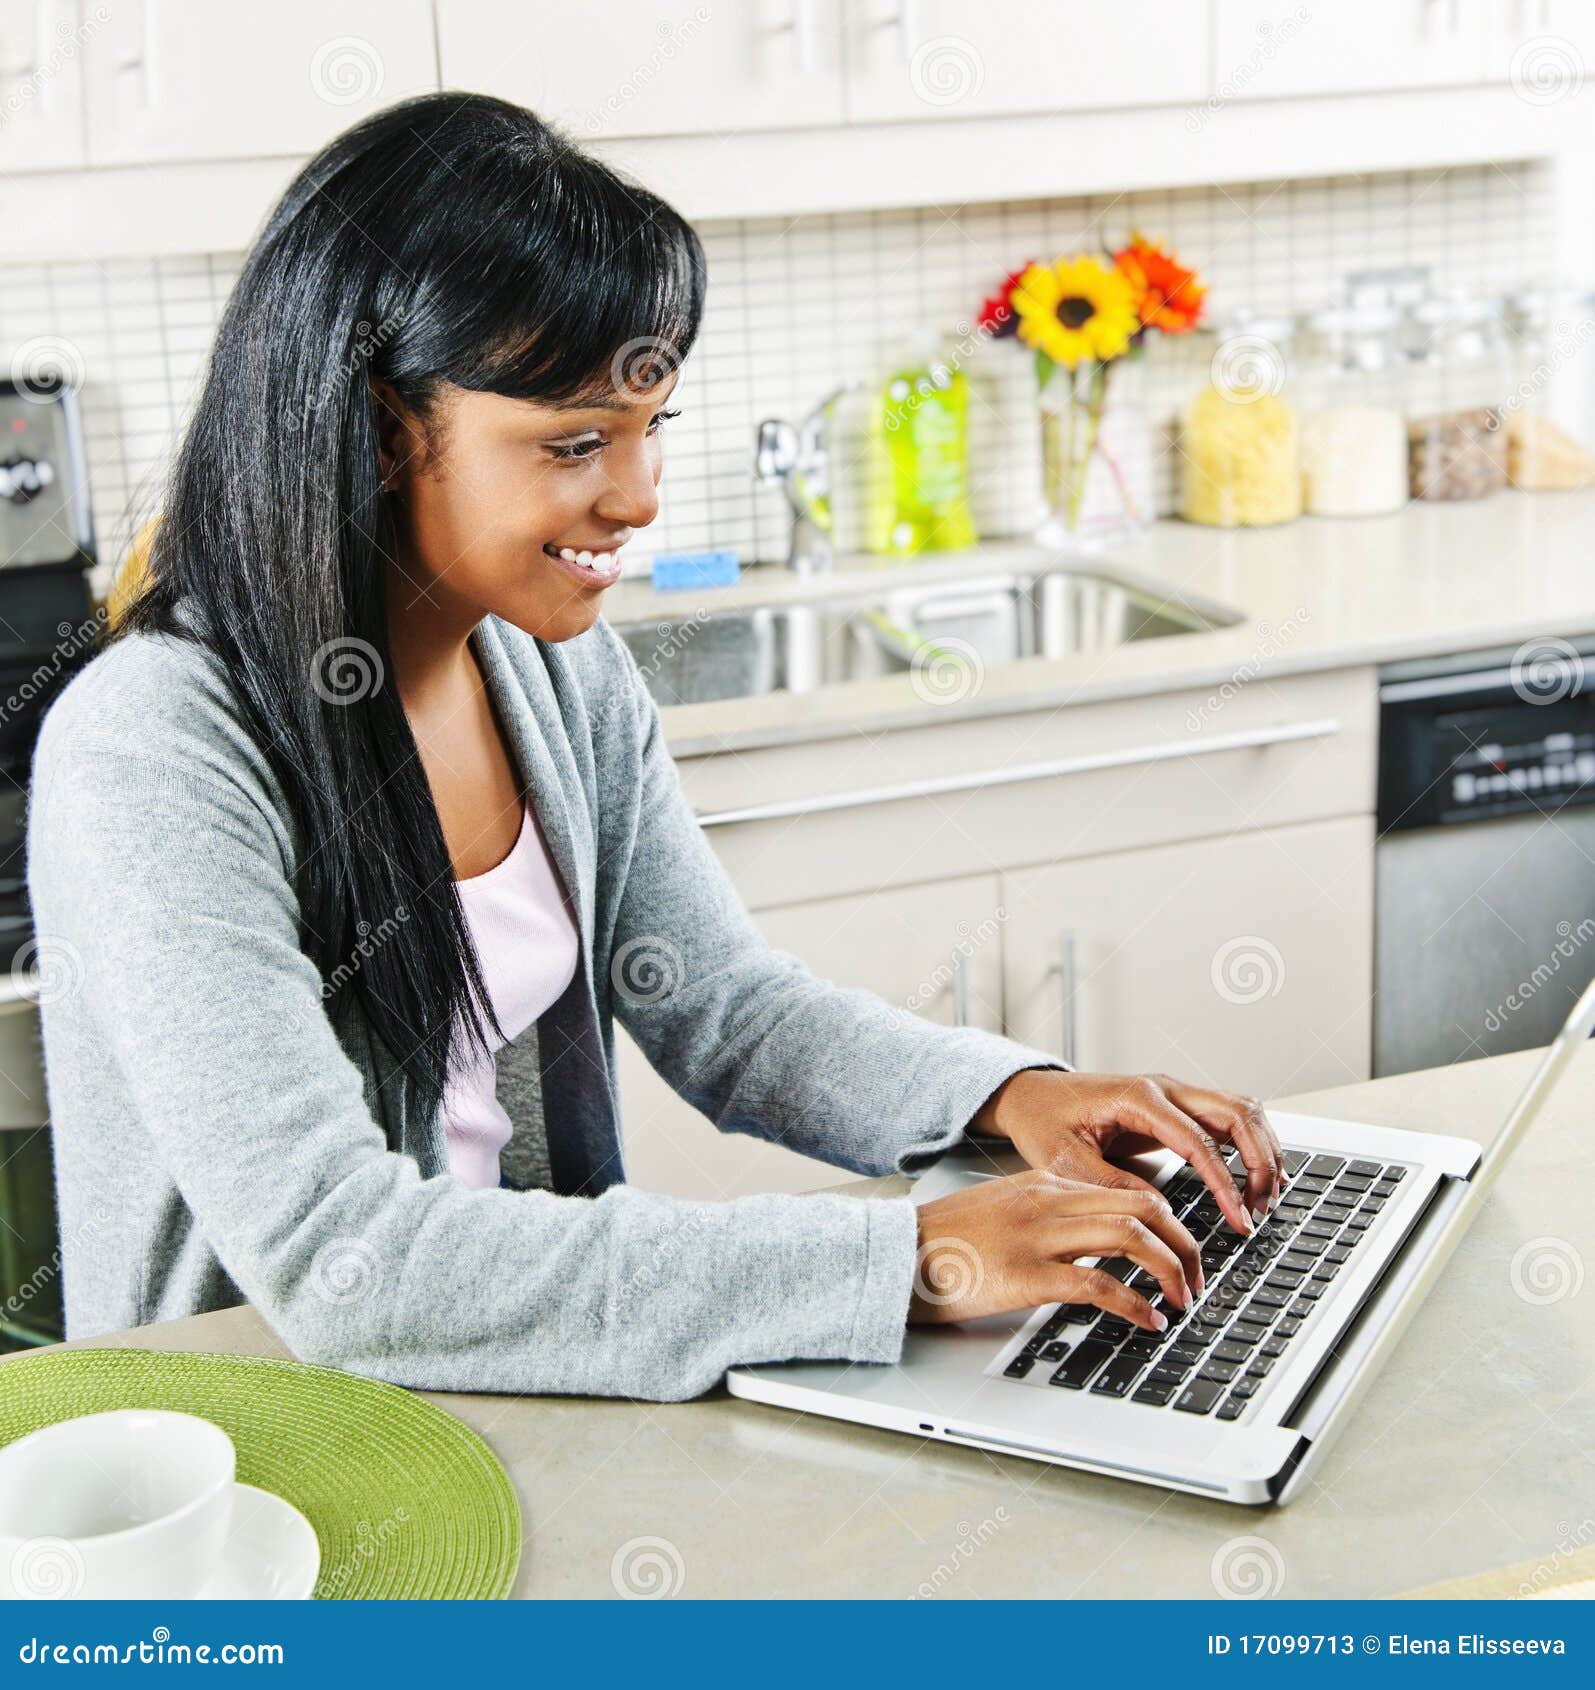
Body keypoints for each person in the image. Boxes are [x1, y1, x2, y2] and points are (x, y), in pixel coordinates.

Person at [27, 93, 1280, 1401]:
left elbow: (726, 1008)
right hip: (264, 1457)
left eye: (648, 425)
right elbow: (349, 1262)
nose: (636, 497)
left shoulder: (550, 663)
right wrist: (904, 1254)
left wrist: (1012, 1093)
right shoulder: (153, 750)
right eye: (575, 443)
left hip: (520, 1377)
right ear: (389, 428)